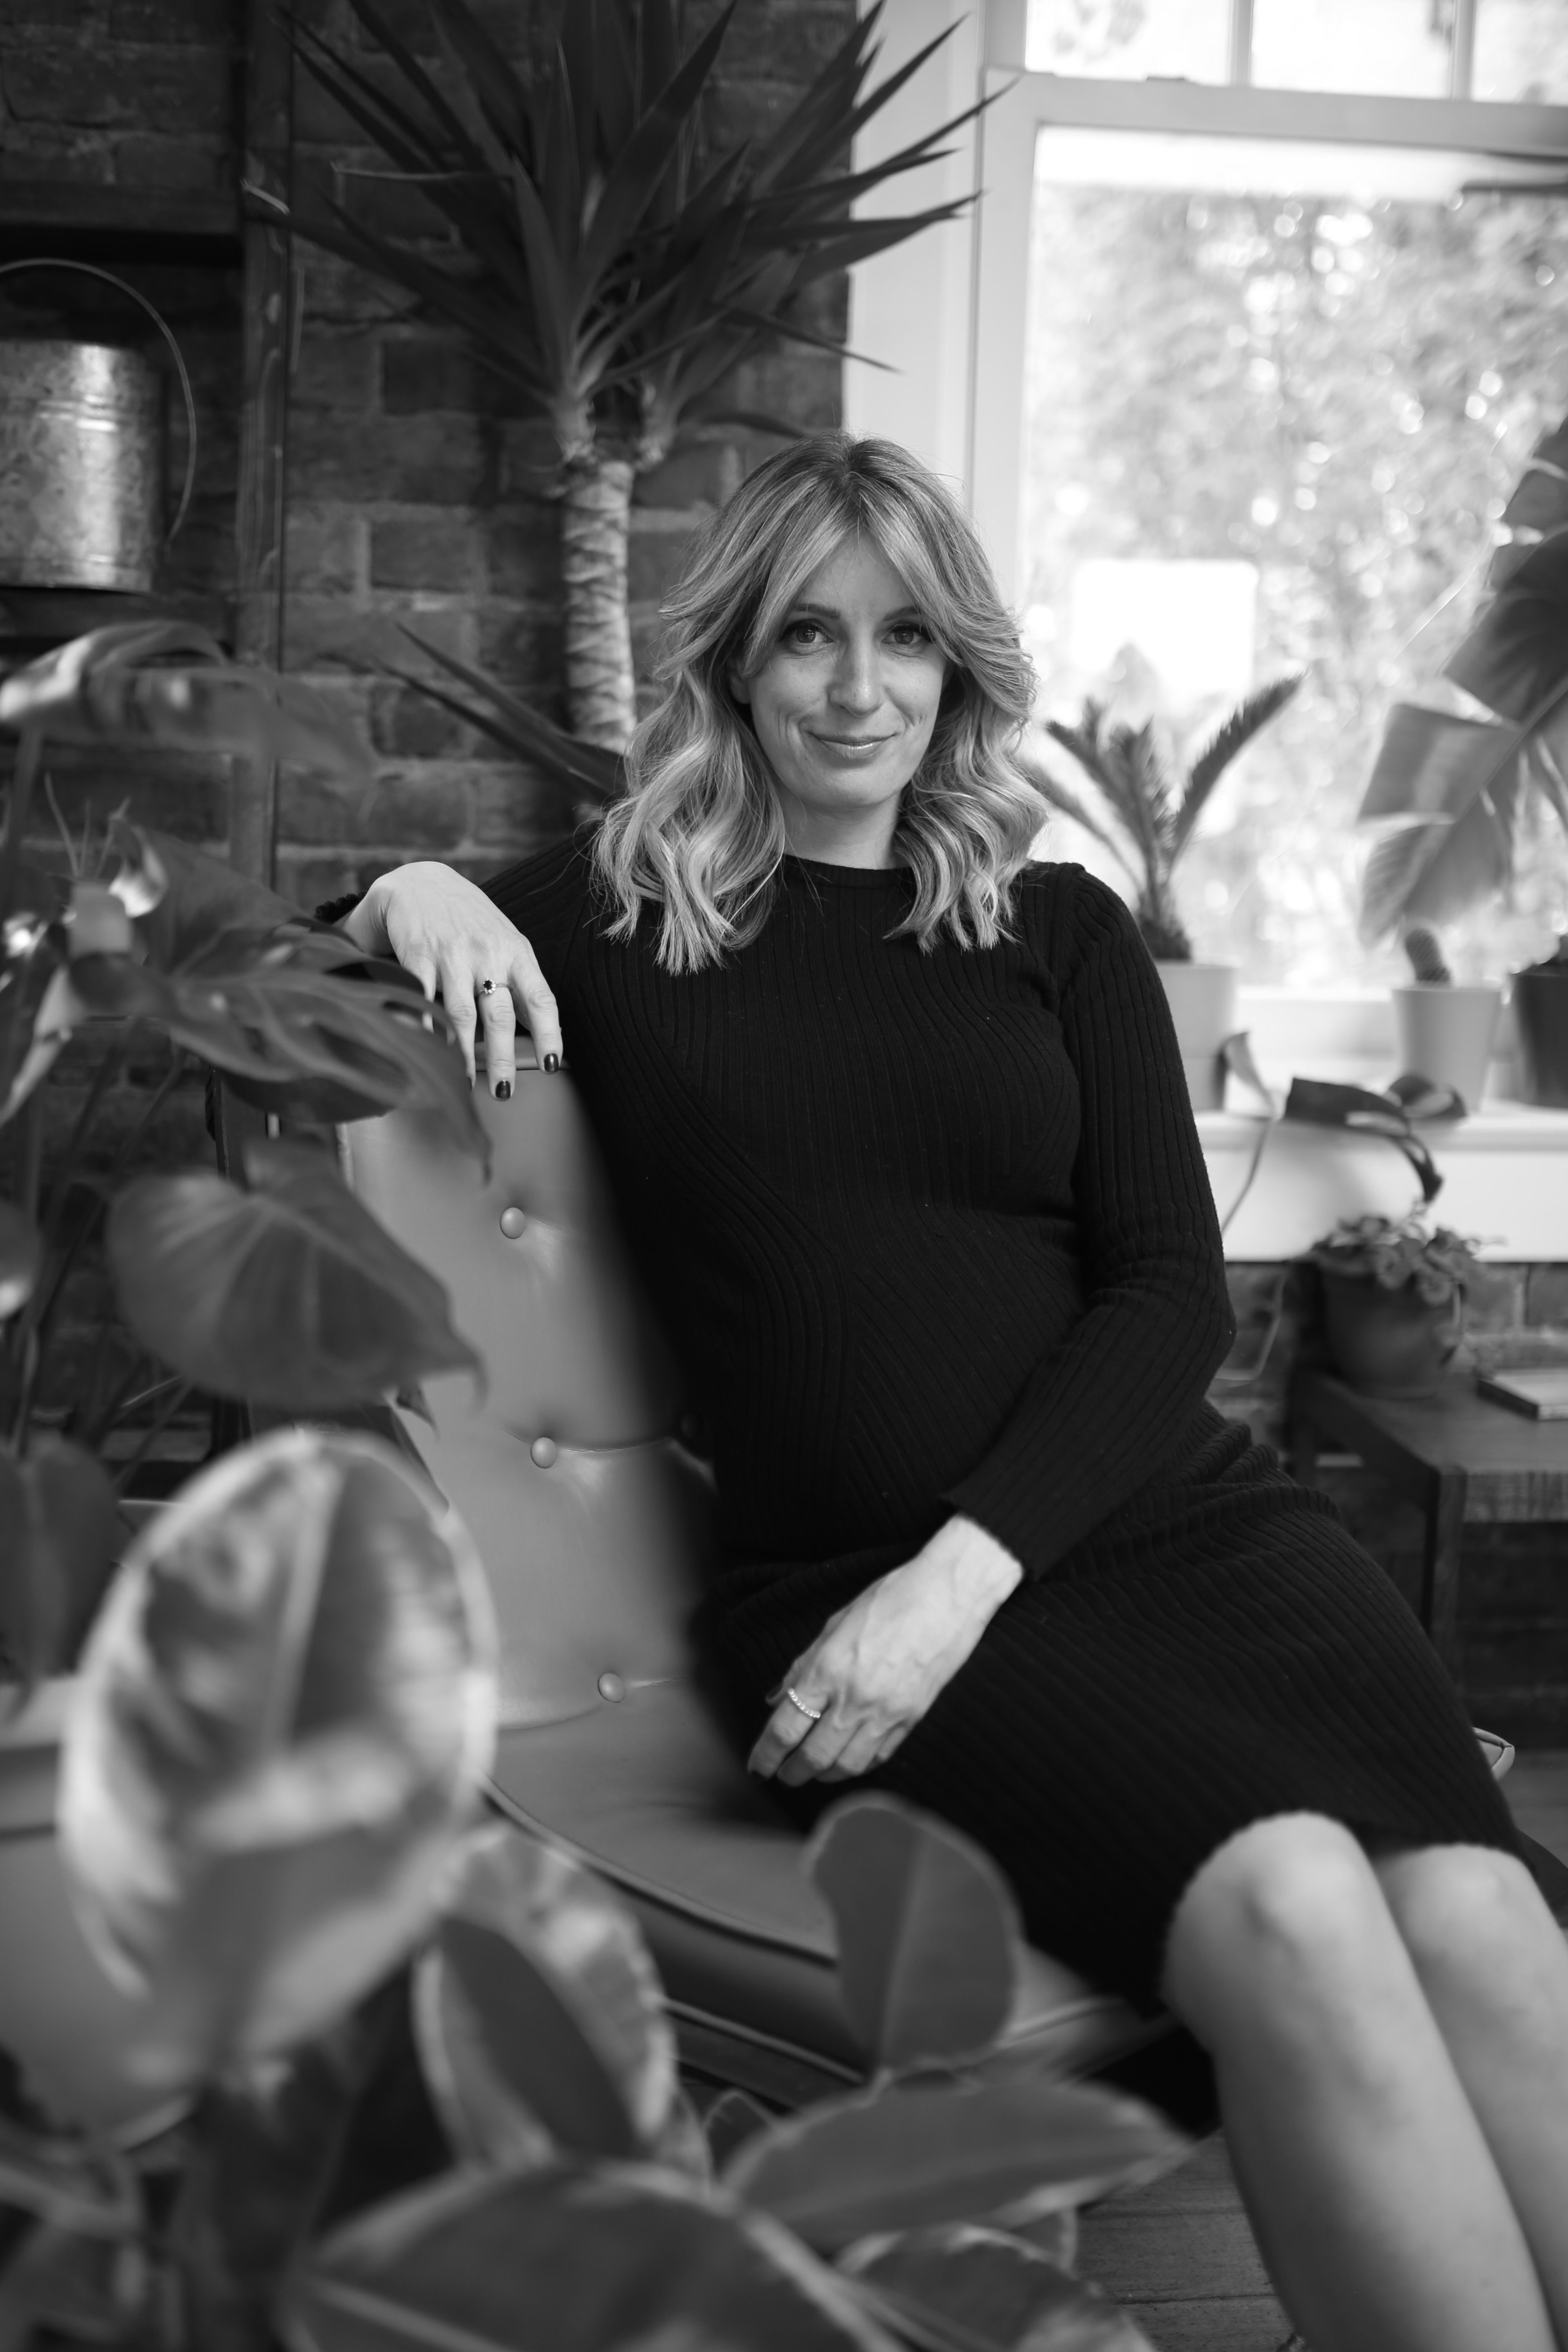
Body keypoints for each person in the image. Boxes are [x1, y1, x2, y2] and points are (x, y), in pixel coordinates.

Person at [336, 433, 1568, 2352]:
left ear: (960, 665)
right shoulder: (630, 918)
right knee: (1299, 1906)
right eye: (809, 635)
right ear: (736, 664)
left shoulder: (1057, 928)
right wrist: (411, 883)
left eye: (906, 635)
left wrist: (963, 1574)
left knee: (1488, 1917)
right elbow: (277, 965)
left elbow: (1168, 1297)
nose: (858, 684)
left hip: (1169, 1538)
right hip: (840, 1588)